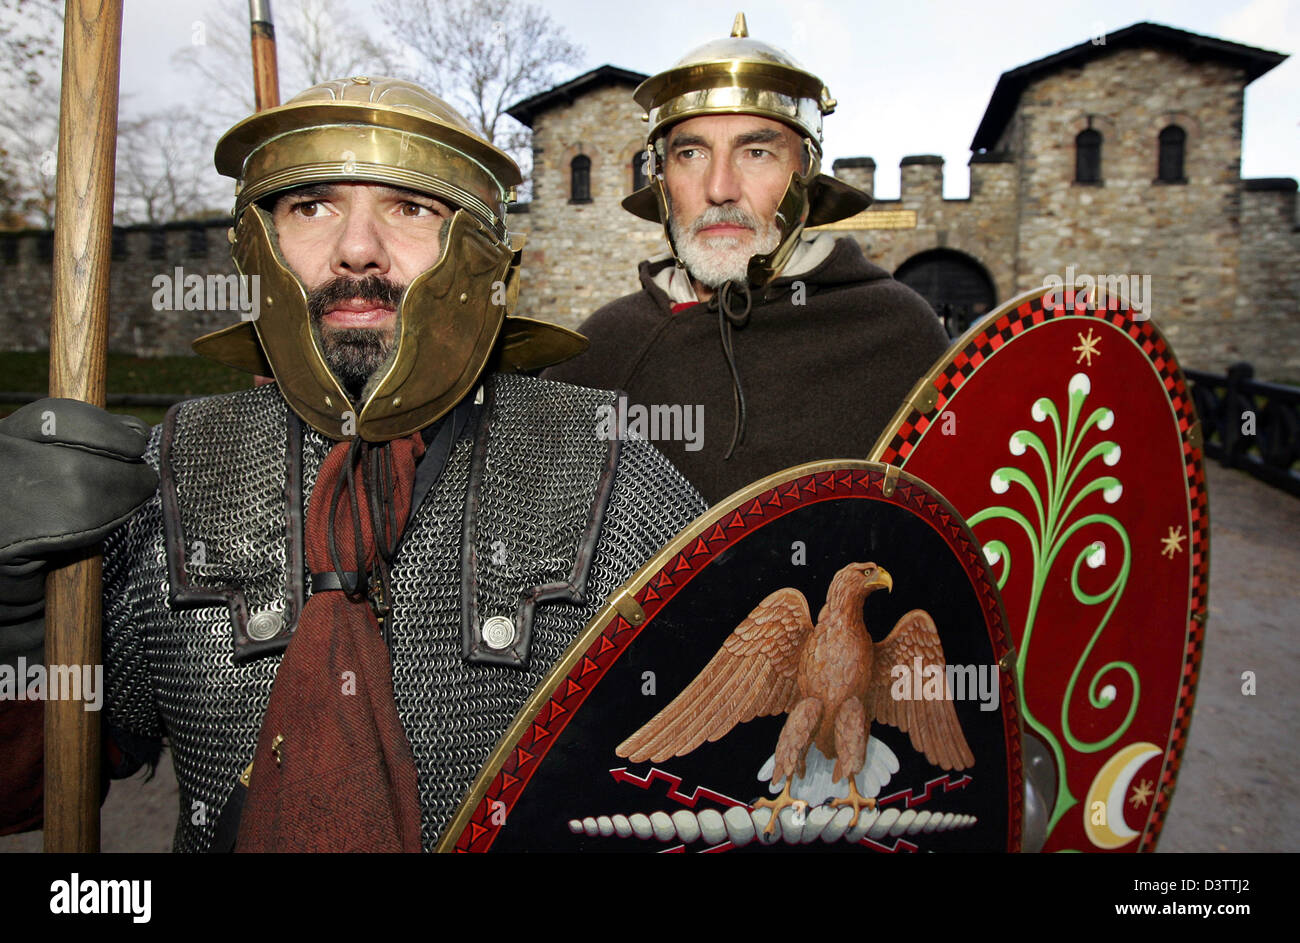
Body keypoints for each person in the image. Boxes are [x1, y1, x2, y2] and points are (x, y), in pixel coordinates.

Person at [0, 77, 704, 852]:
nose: (357, 248)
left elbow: (703, 785)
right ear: (258, 244)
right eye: (313, 206)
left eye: (409, 207)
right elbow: (36, 777)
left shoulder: (605, 469)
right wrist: (19, 631)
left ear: (483, 255)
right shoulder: (183, 467)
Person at [544, 15, 951, 504]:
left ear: (806, 171)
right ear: (662, 179)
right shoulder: (605, 349)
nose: (719, 188)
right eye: (691, 154)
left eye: (756, 152)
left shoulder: (897, 333)